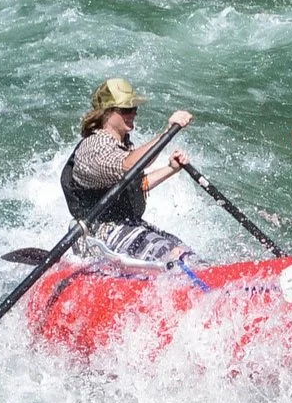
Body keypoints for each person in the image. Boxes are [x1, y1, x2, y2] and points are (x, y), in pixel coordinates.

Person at [63, 77, 198, 270]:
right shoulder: (93, 146)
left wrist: (171, 169)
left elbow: (135, 185)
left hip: (128, 225)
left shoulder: (121, 145)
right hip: (100, 234)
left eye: (134, 109)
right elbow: (128, 166)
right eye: (126, 109)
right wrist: (167, 132)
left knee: (185, 253)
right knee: (172, 258)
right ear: (106, 113)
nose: (133, 113)